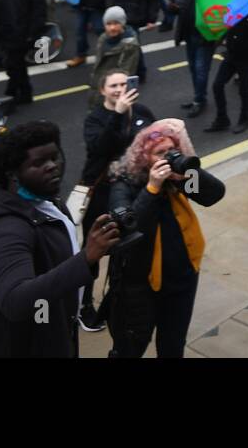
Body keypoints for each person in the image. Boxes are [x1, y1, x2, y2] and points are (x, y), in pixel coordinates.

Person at [0, 121, 121, 357]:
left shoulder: (47, 202)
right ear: (12, 173)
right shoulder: (6, 230)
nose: (53, 167)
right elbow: (15, 300)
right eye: (38, 163)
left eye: (54, 157)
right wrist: (86, 257)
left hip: (54, 333)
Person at [106, 120, 226, 357]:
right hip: (141, 285)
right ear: (144, 158)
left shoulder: (179, 180)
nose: (168, 157)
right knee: (131, 346)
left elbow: (214, 194)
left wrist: (189, 171)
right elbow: (126, 229)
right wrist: (152, 187)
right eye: (160, 153)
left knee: (173, 345)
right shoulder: (125, 184)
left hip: (183, 279)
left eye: (173, 150)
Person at [79, 71, 155, 331]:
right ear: (103, 90)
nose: (120, 88)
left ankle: (117, 299)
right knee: (94, 248)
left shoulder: (142, 111)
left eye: (124, 83)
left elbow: (153, 143)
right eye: (114, 85)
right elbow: (101, 148)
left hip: (134, 191)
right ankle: (84, 305)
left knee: (128, 245)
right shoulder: (95, 119)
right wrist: (117, 115)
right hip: (102, 193)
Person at [208, 0, 248, 134]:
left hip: (246, 56)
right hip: (231, 53)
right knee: (217, 85)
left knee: (244, 88)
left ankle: (244, 119)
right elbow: (228, 22)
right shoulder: (234, 3)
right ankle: (222, 118)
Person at [1, 0, 48, 107]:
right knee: (15, 63)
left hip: (24, 29)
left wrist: (33, 32)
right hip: (12, 28)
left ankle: (17, 93)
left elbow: (39, 6)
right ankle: (20, 91)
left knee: (15, 63)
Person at [172, 0, 211, 117]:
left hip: (203, 38)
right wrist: (172, 6)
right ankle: (199, 96)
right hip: (189, 35)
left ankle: (199, 100)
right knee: (194, 69)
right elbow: (179, 7)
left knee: (201, 70)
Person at [89, 7, 143, 107]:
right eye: (108, 24)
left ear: (122, 24)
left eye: (116, 23)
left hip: (114, 92)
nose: (112, 28)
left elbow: (126, 73)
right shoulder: (103, 38)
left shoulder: (130, 45)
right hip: (100, 86)